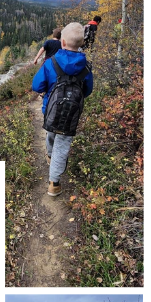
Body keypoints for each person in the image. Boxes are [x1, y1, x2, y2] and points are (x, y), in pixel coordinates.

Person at [32, 21, 93, 197]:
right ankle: (54, 183)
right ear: (81, 43)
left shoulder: (51, 63)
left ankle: (50, 156)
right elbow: (87, 91)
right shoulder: (87, 67)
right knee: (63, 145)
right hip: (71, 114)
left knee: (51, 134)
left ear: (62, 42)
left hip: (50, 110)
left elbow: (36, 86)